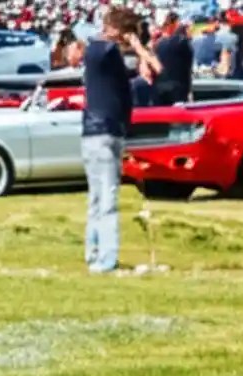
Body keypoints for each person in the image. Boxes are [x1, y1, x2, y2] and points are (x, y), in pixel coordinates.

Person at [81, 6, 160, 275]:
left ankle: (93, 253)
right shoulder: (104, 50)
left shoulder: (100, 54)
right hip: (105, 131)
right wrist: (136, 46)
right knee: (107, 198)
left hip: (96, 131)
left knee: (96, 198)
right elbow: (148, 65)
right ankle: (106, 259)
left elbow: (132, 81)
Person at [151, 12, 193, 106]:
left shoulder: (157, 43)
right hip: (178, 87)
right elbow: (188, 66)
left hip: (159, 86)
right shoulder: (181, 42)